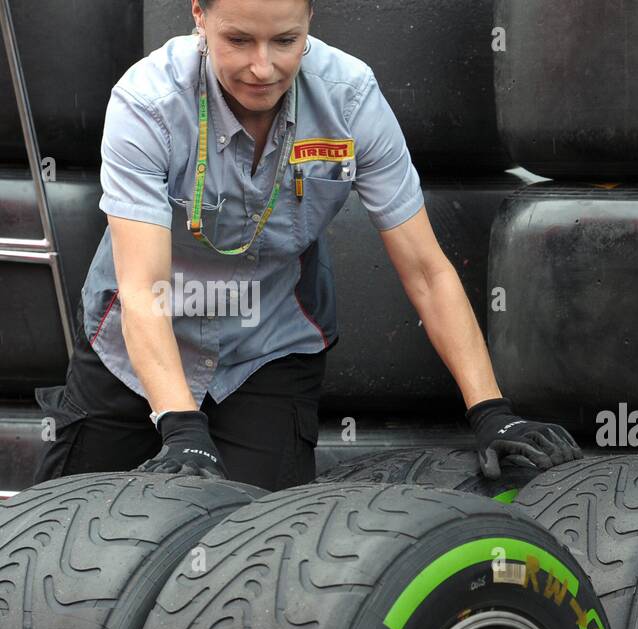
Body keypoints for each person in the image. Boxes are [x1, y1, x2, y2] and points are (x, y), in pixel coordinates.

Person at [33, 0, 580, 490]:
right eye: (239, 40)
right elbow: (142, 290)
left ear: (310, 21)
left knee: (258, 551)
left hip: (267, 349)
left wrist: (491, 411)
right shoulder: (147, 101)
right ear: (197, 15)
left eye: (285, 41)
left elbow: (426, 270)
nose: (263, 67)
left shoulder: (352, 98)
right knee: (63, 533)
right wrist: (179, 426)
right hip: (134, 347)